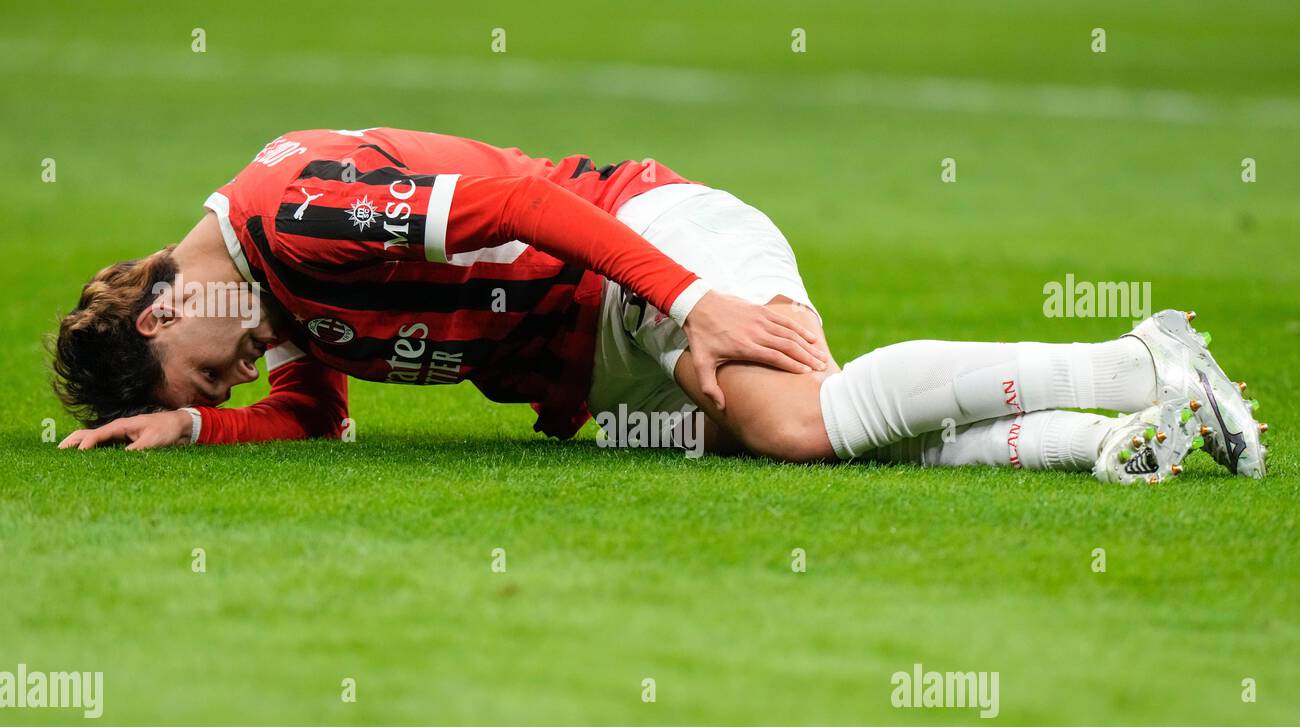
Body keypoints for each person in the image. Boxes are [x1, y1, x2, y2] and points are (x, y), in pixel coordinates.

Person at [52, 128, 1266, 483]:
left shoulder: (293, 212)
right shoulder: (271, 302)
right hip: (610, 354)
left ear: (163, 314)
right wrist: (193, 427)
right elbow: (312, 421)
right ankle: (1123, 436)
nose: (241, 372)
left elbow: (515, 197)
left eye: (209, 375)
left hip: (646, 244)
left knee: (797, 423)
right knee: (821, 437)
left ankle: (1138, 356)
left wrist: (688, 300)